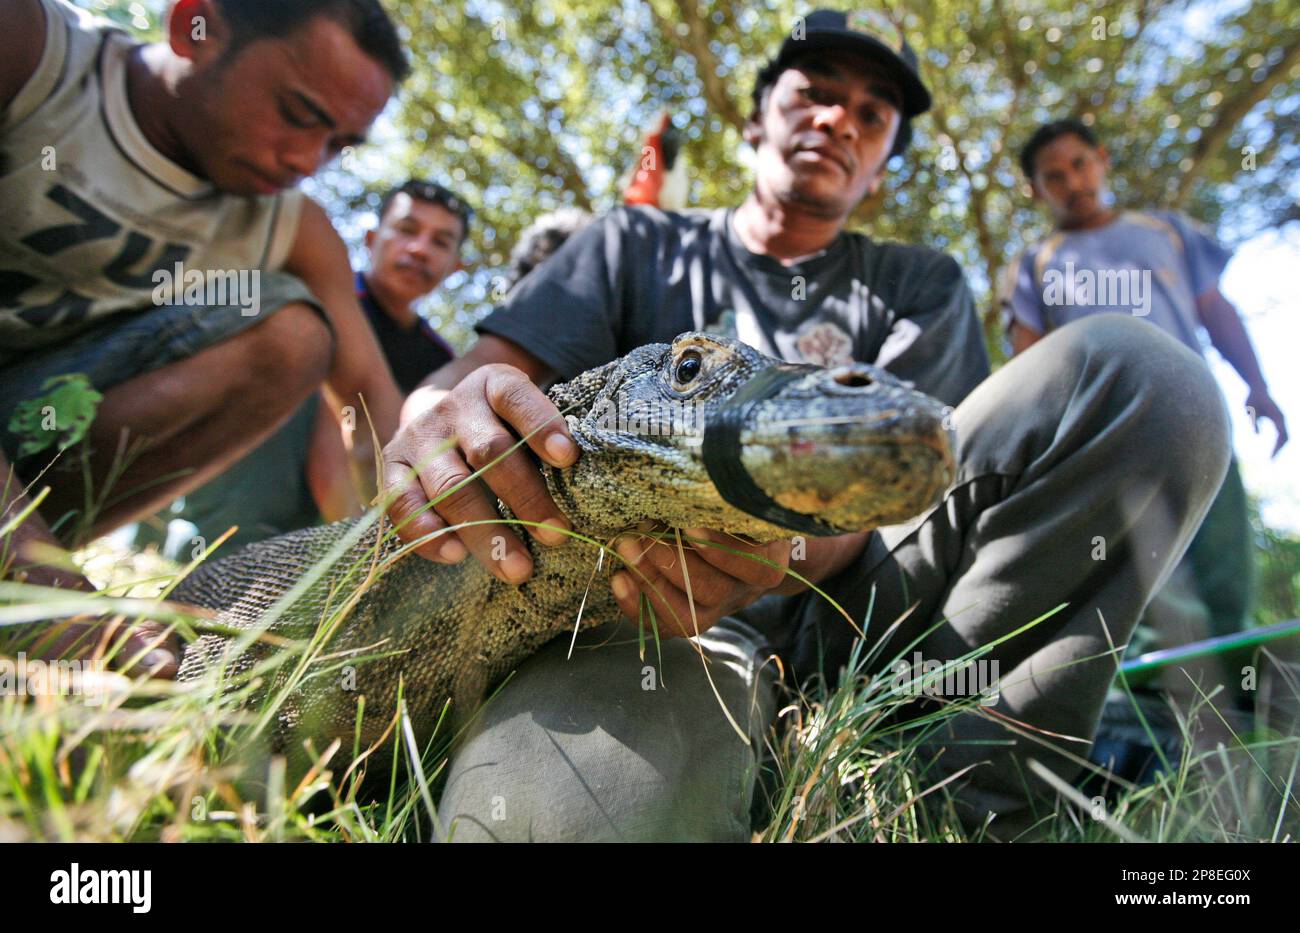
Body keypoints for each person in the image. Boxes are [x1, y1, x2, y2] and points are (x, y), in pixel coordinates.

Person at [380, 8, 1230, 841]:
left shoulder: (917, 283)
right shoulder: (630, 242)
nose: (838, 119)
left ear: (884, 164)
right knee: (559, 815)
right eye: (814, 91)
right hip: (641, 612)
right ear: (754, 121)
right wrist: (432, 420)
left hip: (864, 600)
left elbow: (911, 504)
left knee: (1142, 373)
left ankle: (958, 800)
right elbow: (465, 385)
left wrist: (770, 546)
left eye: (872, 114)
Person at [0, 0, 407, 674]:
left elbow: (374, 415)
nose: (309, 158)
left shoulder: (292, 228)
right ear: (196, 26)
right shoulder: (31, 56)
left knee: (297, 335)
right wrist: (55, 600)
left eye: (340, 143)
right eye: (299, 113)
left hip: (34, 433)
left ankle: (39, 548)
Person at [1003, 118, 1288, 693]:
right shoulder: (1034, 265)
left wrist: (1259, 387)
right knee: (1144, 596)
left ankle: (1238, 739)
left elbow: (1215, 309)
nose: (1073, 182)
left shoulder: (1167, 231)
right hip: (1107, 448)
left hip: (1200, 429)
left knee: (1224, 583)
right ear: (1036, 190)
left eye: (1080, 164)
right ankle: (1151, 738)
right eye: (1054, 176)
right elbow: (1026, 360)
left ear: (1102, 159)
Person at [164, 177, 471, 547]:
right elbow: (333, 443)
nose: (420, 249)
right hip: (242, 503)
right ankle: (214, 542)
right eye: (407, 229)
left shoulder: (438, 360)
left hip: (341, 514)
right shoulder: (316, 298)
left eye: (440, 241)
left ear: (455, 267)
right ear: (372, 240)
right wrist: (353, 553)